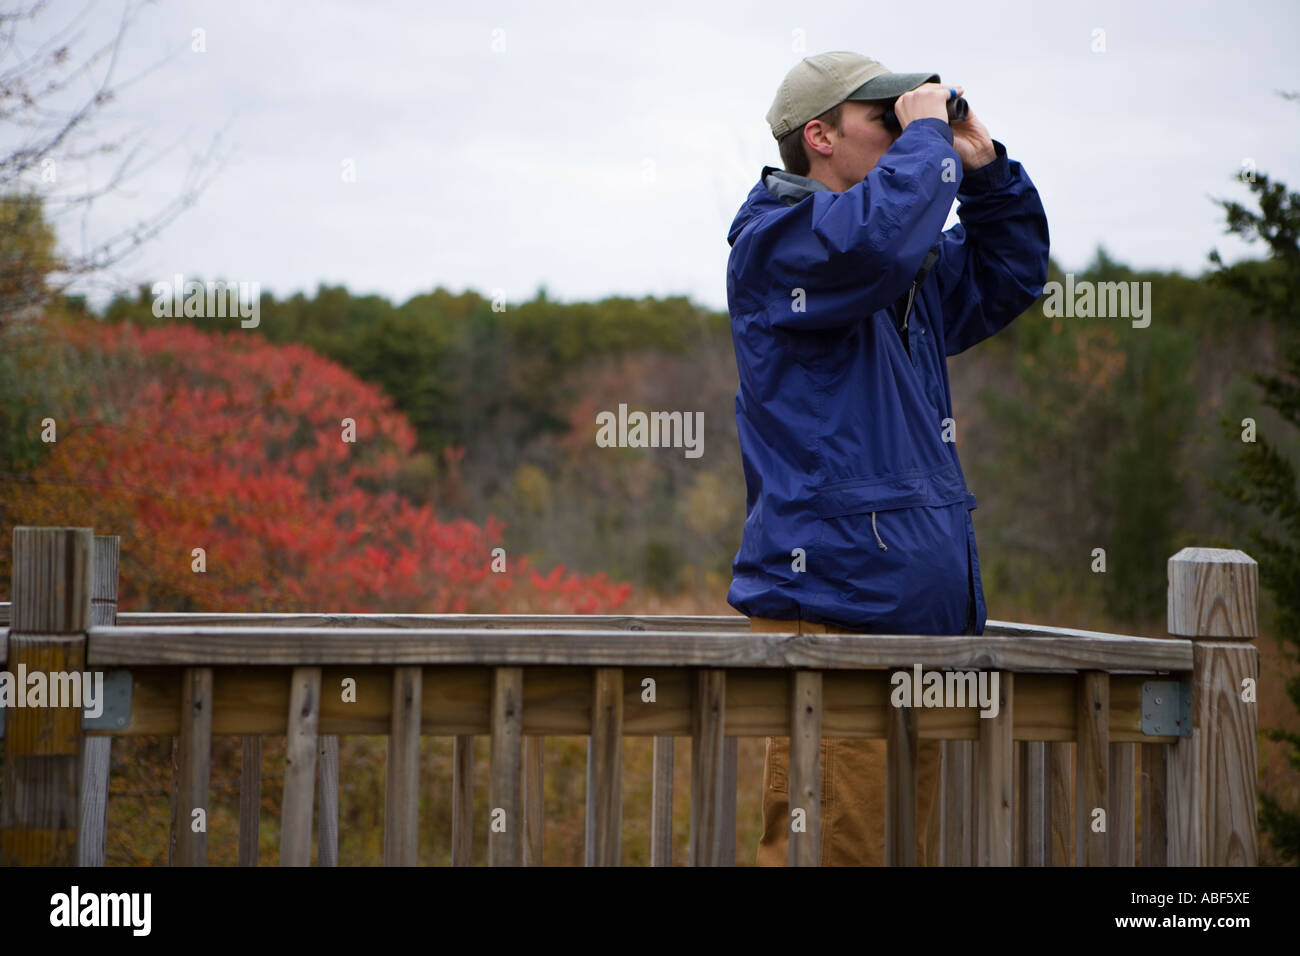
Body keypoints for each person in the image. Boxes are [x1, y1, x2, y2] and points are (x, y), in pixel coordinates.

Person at [725, 51, 1050, 865]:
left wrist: (984, 170)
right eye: (888, 117)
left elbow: (1011, 273)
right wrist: (929, 136)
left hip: (917, 621)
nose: (909, 126)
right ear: (820, 136)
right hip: (835, 615)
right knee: (832, 853)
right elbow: (868, 246)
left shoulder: (906, 268)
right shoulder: (778, 244)